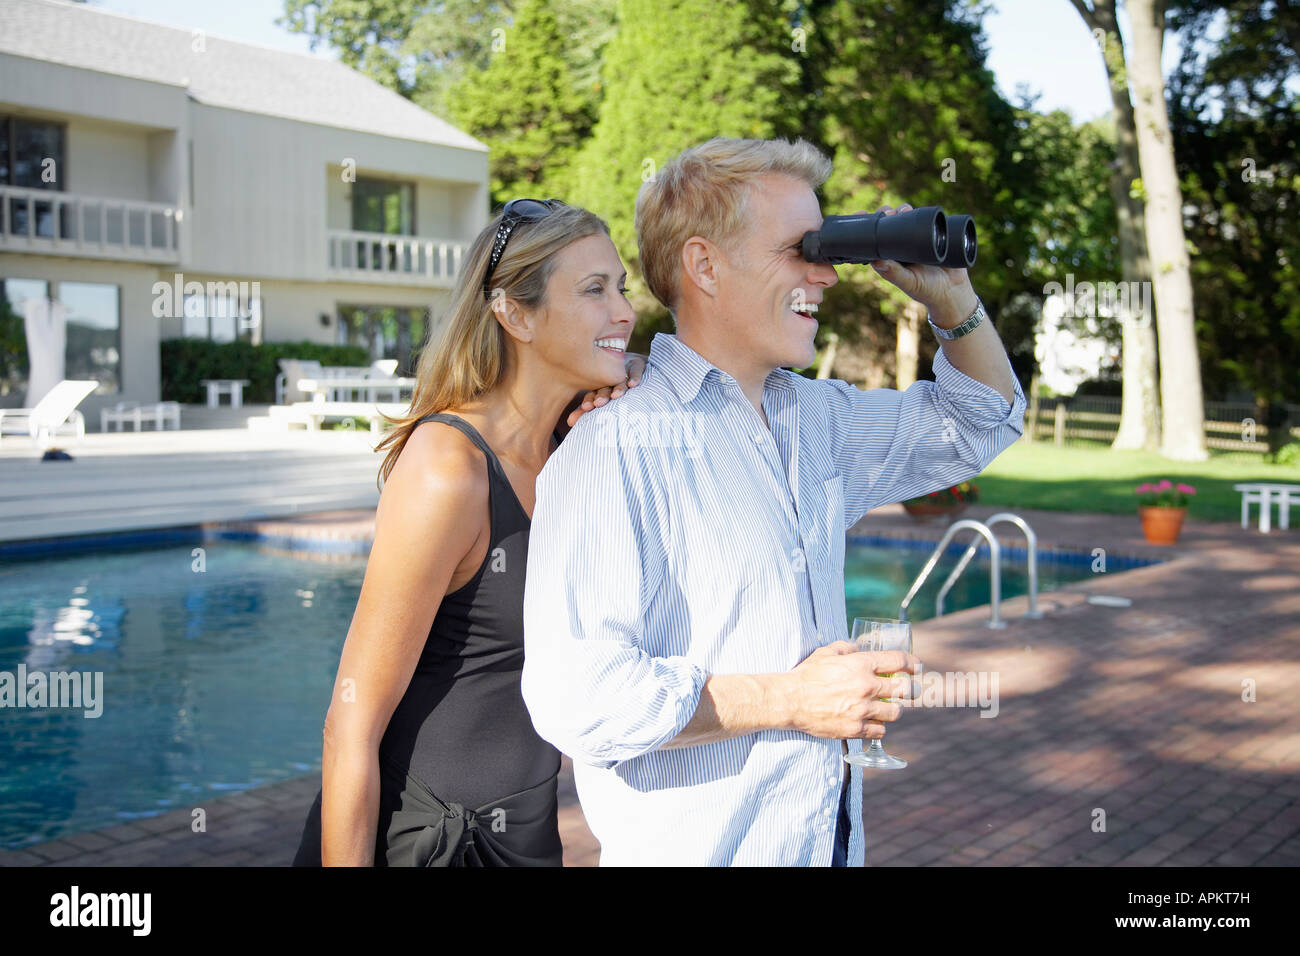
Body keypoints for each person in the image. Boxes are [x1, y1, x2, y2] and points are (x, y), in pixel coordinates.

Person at [521, 137, 1027, 866]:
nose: (824, 274)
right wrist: (791, 699)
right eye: (799, 249)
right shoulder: (615, 446)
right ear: (704, 265)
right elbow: (578, 698)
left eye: (825, 248)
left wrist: (953, 302)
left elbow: (979, 423)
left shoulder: (818, 418)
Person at [292, 199, 642, 866]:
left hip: (530, 838)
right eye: (595, 290)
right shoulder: (448, 470)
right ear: (514, 313)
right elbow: (350, 725)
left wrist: (635, 379)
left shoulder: (578, 454)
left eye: (620, 287)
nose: (624, 310)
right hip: (421, 844)